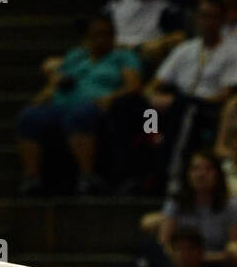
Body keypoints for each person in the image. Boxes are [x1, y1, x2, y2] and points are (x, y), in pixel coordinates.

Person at [16, 13, 142, 196]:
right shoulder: (76, 56)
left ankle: (88, 176)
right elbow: (55, 81)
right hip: (61, 105)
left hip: (96, 106)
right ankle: (32, 178)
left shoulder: (123, 56)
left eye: (105, 34)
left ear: (113, 36)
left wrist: (111, 98)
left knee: (80, 114)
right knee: (30, 116)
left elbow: (134, 87)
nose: (100, 39)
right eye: (95, 34)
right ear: (87, 37)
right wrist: (44, 95)